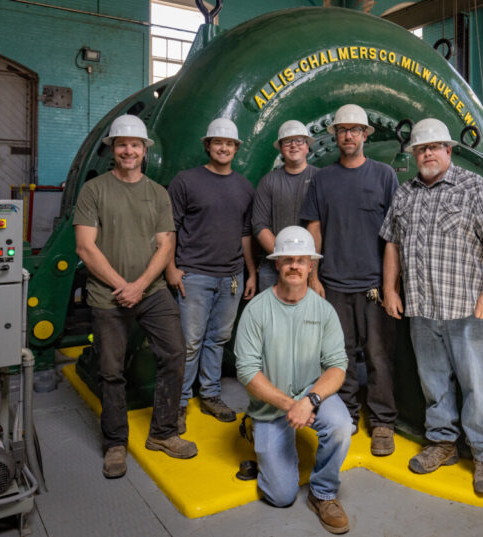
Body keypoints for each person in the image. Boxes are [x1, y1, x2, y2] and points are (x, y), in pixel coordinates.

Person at [379, 118, 483, 496]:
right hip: (422, 308)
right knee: (433, 382)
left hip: (465, 308)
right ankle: (443, 442)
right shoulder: (405, 194)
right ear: (415, 155)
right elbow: (392, 244)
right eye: (421, 149)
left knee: (476, 384)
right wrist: (390, 288)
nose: (428, 154)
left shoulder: (473, 186)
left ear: (448, 150)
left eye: (434, 147)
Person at [74, 114, 196, 479]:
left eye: (135, 145)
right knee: (111, 371)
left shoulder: (157, 193)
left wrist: (140, 285)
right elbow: (85, 247)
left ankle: (162, 432)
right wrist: (121, 286)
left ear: (145, 151)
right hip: (106, 294)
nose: (129, 150)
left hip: (152, 290)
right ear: (113, 149)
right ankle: (115, 443)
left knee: (175, 351)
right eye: (122, 144)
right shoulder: (94, 191)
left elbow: (165, 245)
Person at [235, 226, 351, 535]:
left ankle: (323, 493)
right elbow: (246, 371)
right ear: (277, 263)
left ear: (311, 265)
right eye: (288, 260)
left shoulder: (324, 311)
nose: (295, 266)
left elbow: (337, 366)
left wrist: (310, 401)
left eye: (302, 260)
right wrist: (292, 406)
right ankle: (259, 439)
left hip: (310, 395)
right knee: (281, 496)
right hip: (271, 405)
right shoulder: (257, 311)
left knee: (341, 426)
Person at [299, 103, 399, 457]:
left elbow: (393, 237)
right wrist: (314, 277)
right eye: (343, 130)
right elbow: (314, 228)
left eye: (355, 130)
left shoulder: (385, 176)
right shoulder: (322, 179)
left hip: (372, 283)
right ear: (336, 136)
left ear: (364, 135)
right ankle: (347, 414)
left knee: (378, 355)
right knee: (339, 356)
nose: (348, 135)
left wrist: (391, 286)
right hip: (334, 283)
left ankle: (384, 422)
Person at [165, 117, 256, 432]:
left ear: (235, 149)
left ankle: (211, 395)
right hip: (194, 276)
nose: (223, 148)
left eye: (229, 144)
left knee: (217, 340)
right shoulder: (185, 181)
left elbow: (245, 234)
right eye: (218, 142)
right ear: (208, 145)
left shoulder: (244, 186)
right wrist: (171, 269)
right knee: (190, 343)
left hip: (231, 277)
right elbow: (169, 229)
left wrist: (251, 273)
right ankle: (178, 405)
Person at [252, 120, 318, 291]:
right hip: (274, 266)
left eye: (299, 141)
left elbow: (323, 224)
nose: (293, 145)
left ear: (307, 146)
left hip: (310, 266)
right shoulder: (268, 182)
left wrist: (308, 265)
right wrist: (284, 258)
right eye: (287, 141)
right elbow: (260, 225)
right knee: (269, 316)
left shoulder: (320, 179)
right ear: (281, 148)